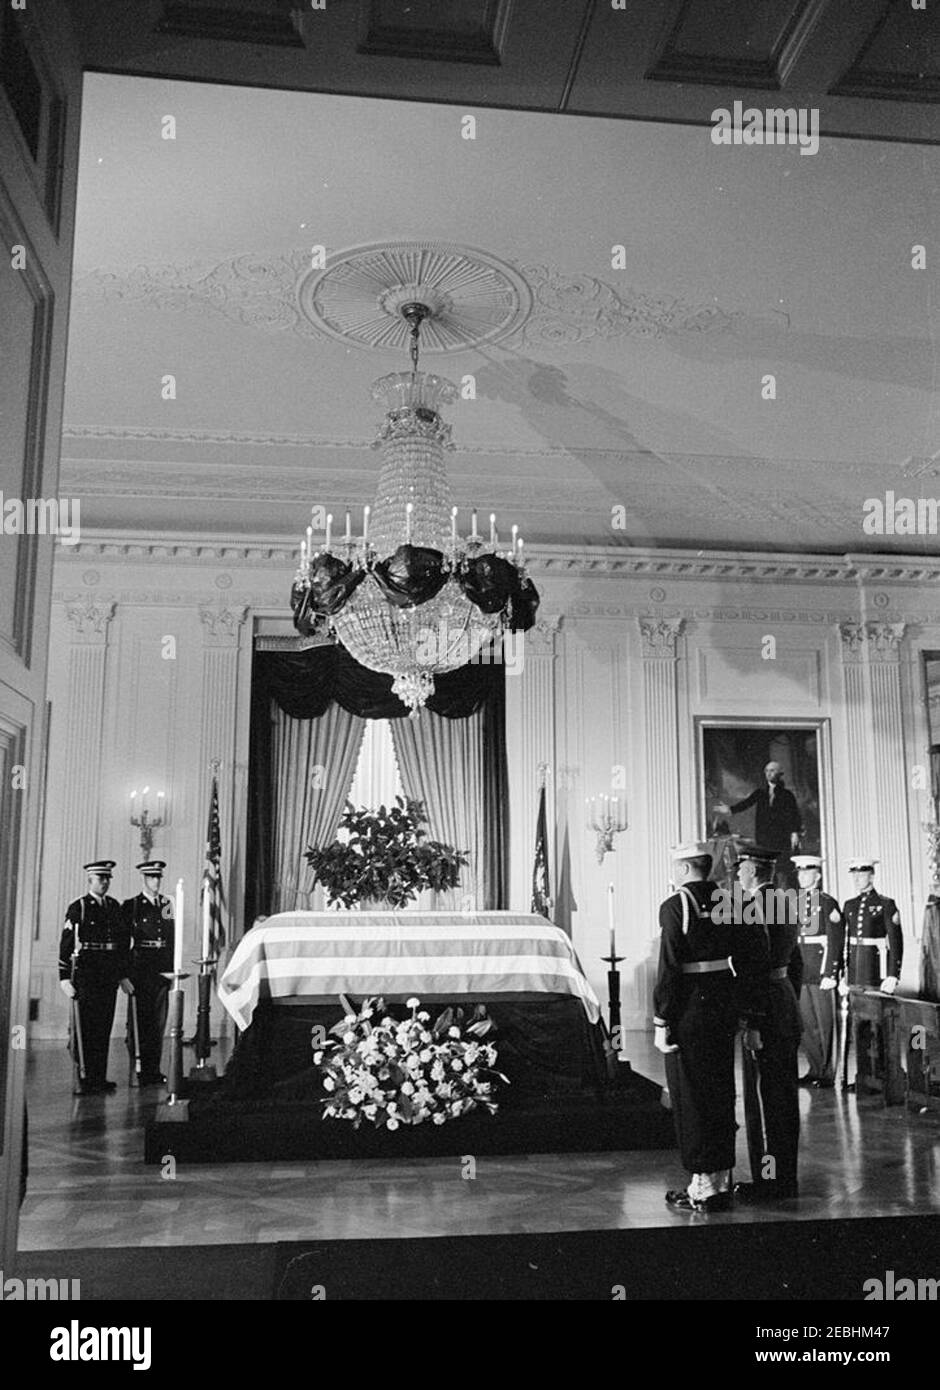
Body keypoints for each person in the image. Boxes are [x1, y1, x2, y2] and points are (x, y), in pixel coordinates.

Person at [654, 843, 736, 1214]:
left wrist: (661, 1020)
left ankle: (702, 1187)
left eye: (675, 866)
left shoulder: (675, 906)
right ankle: (720, 1179)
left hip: (689, 1011)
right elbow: (750, 957)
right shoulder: (732, 901)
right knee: (721, 1092)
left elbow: (670, 968)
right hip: (724, 1006)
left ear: (687, 868)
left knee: (692, 1098)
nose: (672, 873)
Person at [730, 843, 803, 1203]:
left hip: (765, 1011)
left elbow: (753, 968)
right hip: (785, 1002)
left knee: (765, 1103)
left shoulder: (752, 906)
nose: (738, 873)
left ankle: (769, 1181)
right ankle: (784, 1178)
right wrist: (787, 999)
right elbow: (797, 962)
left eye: (741, 867)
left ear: (754, 870)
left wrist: (753, 1020)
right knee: (784, 1100)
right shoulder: (785, 902)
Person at [59, 860, 134, 1096]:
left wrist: (122, 975)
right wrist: (64, 978)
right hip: (87, 975)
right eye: (100, 879)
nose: (104, 883)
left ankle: (98, 1077)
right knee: (85, 1027)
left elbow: (122, 944)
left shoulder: (114, 907)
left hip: (108, 975)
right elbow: (67, 943)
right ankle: (83, 1077)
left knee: (103, 1028)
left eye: (107, 879)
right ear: (90, 880)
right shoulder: (79, 907)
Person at [838, 856, 903, 1088]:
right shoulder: (849, 905)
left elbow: (895, 941)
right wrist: (843, 975)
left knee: (879, 1027)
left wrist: (893, 974)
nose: (857, 878)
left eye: (861, 874)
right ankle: (865, 1076)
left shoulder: (886, 904)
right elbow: (844, 943)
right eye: (853, 874)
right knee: (860, 1027)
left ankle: (883, 1075)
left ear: (872, 876)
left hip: (876, 972)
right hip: (855, 973)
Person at [123, 860, 175, 1087]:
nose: (156, 881)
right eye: (152, 877)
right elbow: (124, 942)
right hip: (141, 969)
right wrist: (124, 974)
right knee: (140, 1021)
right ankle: (139, 1069)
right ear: (144, 879)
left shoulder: (166, 904)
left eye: (158, 877)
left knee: (158, 1022)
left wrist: (172, 971)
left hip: (161, 968)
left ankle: (153, 1069)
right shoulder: (132, 905)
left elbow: (171, 937)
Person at [792, 854, 843, 1087]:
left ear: (818, 875)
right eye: (799, 872)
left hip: (821, 970)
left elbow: (835, 939)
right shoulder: (793, 901)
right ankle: (814, 1069)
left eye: (806, 872)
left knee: (825, 1023)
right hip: (801, 970)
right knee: (807, 1024)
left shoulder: (827, 902)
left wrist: (832, 973)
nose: (802, 876)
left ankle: (827, 1072)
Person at [713, 761, 803, 887]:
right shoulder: (760, 793)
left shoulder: (787, 795)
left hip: (781, 839)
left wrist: (794, 833)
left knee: (781, 871)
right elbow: (747, 803)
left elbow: (794, 815)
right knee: (766, 869)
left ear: (780, 773)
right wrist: (730, 810)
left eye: (772, 771)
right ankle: (768, 899)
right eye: (767, 771)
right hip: (764, 838)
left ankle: (782, 900)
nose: (769, 773)